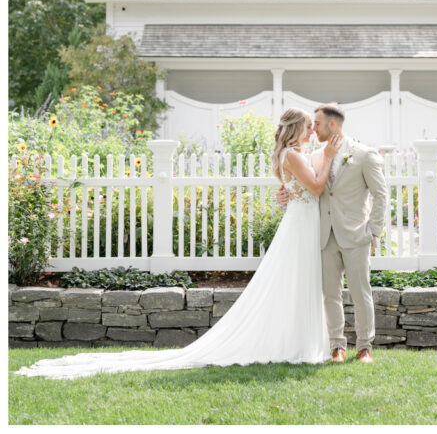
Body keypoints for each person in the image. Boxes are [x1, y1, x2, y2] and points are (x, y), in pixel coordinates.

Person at [15, 109, 338, 379]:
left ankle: (296, 340)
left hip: (300, 220)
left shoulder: (290, 154)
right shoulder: (294, 155)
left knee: (296, 282)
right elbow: (316, 188)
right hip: (300, 222)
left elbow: (293, 190)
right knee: (296, 280)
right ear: (296, 128)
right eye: (309, 127)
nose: (312, 131)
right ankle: (295, 343)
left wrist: (311, 171)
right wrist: (329, 158)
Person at [275, 102, 388, 363]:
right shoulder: (314, 156)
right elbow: (306, 185)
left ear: (332, 124)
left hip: (356, 234)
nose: (312, 129)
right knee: (330, 294)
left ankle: (364, 347)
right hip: (323, 234)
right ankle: (337, 346)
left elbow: (381, 195)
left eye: (316, 124)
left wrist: (373, 231)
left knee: (361, 292)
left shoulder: (363, 154)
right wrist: (285, 195)